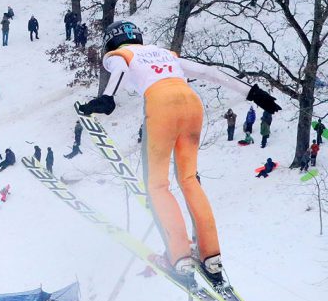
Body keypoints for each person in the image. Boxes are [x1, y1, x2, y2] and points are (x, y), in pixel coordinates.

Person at [78, 21, 281, 284]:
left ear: (111, 42)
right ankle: (211, 255)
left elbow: (117, 71)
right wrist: (253, 93)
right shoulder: (165, 53)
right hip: (192, 104)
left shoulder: (119, 55)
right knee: (188, 179)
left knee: (158, 185)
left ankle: (180, 255)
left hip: (162, 105)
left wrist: (107, 98)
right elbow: (209, 72)